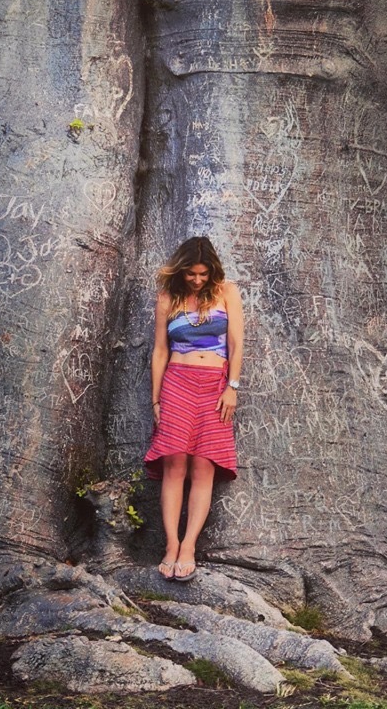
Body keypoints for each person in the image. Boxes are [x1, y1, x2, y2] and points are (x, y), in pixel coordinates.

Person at [144, 236, 244, 582]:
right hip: (177, 383)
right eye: (191, 274)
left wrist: (232, 387)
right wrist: (156, 400)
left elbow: (235, 342)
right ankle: (171, 545)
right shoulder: (167, 298)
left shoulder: (227, 292)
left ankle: (189, 547)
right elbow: (159, 351)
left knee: (204, 468)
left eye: (203, 274)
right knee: (175, 465)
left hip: (215, 385)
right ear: (181, 270)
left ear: (212, 270)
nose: (197, 280)